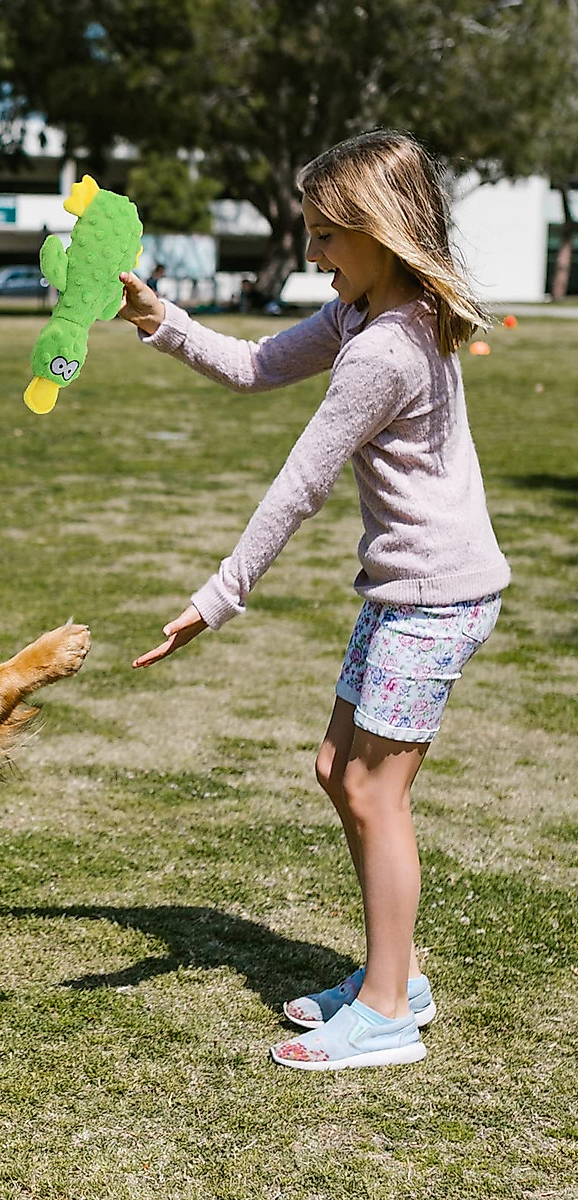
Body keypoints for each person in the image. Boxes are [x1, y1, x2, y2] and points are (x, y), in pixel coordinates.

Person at [118, 129, 509, 1071]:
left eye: (328, 235)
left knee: (376, 790)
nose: (312, 252)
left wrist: (218, 597)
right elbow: (255, 365)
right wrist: (160, 319)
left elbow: (300, 485)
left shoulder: (386, 348)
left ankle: (385, 1015)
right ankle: (395, 973)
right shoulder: (365, 315)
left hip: (436, 595)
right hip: (405, 586)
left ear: (383, 233)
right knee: (340, 768)